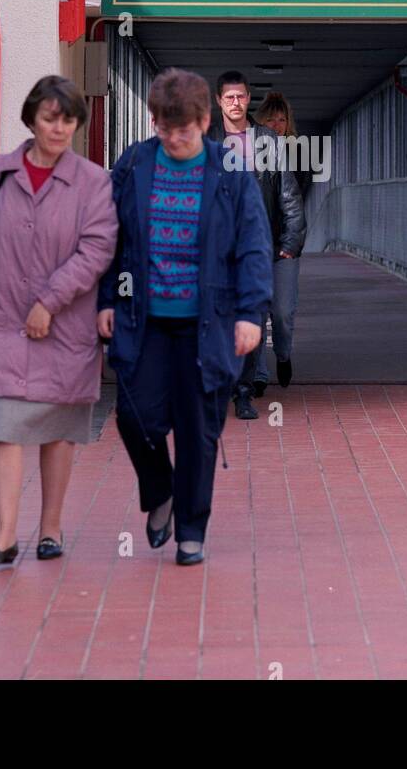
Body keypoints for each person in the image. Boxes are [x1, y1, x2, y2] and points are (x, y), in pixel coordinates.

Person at [97, 68, 272, 565]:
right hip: (145, 319)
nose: (174, 138)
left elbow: (254, 248)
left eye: (185, 129)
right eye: (164, 128)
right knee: (133, 415)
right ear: (154, 122)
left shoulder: (231, 174)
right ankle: (161, 494)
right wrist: (106, 300)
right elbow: (110, 239)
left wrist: (250, 313)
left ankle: (191, 528)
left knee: (199, 430)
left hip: (208, 322)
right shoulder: (133, 166)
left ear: (204, 121)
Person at [0, 75, 118, 568]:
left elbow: (98, 248)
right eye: (51, 118)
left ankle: (51, 528)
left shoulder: (93, 182)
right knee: (3, 424)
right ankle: (3, 535)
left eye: (69, 119)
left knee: (58, 424)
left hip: (66, 325)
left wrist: (50, 301)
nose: (60, 128)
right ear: (31, 119)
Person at [207, 72, 305, 419]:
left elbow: (289, 196)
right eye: (229, 97)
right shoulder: (205, 141)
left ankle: (244, 393)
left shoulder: (269, 142)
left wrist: (290, 242)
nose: (236, 103)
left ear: (249, 100)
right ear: (219, 100)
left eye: (241, 97)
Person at [252, 91, 309, 394]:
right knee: (257, 310)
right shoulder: (250, 156)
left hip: (285, 244)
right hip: (257, 245)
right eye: (270, 119)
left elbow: (297, 201)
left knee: (283, 312)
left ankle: (283, 354)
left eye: (281, 119)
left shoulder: (299, 156)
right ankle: (259, 374)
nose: (276, 124)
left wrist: (292, 241)